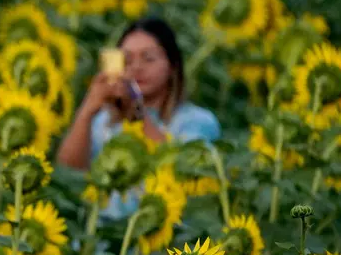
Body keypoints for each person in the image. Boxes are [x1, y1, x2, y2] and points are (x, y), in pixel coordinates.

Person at [56, 17, 220, 171]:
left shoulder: (197, 121)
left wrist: (136, 113)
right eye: (127, 60)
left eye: (148, 58)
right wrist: (87, 110)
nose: (136, 67)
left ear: (172, 66)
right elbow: (69, 170)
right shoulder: (104, 123)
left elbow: (184, 169)